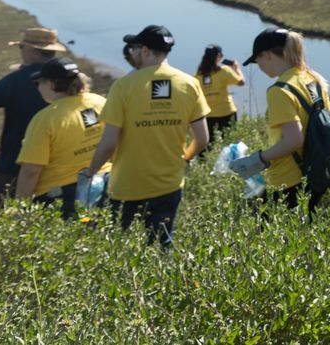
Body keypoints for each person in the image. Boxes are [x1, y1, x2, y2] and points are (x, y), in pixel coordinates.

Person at [83, 25, 210, 250]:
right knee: (162, 246)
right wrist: (183, 160)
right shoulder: (189, 84)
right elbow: (202, 139)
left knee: (119, 249)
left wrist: (92, 171)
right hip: (169, 182)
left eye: (133, 48)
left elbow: (109, 143)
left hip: (127, 186)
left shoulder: (123, 87)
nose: (130, 53)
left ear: (144, 50)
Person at [230, 27, 330, 214]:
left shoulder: (279, 90)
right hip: (315, 172)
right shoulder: (313, 79)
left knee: (269, 237)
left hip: (288, 180)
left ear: (266, 55)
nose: (258, 67)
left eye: (257, 60)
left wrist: (257, 159)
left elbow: (294, 139)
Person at [0, 27, 66, 207]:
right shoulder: (70, 79)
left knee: (2, 219)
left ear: (31, 50)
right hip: (60, 166)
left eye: (21, 48)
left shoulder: (14, 80)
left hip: (14, 163)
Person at [14, 57, 110, 220]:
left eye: (38, 83)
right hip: (106, 185)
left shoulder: (45, 119)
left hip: (61, 197)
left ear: (51, 84)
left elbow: (31, 170)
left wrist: (20, 208)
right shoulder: (99, 102)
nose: (38, 87)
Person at [195, 44, 244, 139]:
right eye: (221, 56)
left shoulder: (197, 76)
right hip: (227, 112)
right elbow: (241, 82)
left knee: (210, 145)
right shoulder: (224, 71)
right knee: (229, 142)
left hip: (208, 115)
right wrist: (236, 69)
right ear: (217, 56)